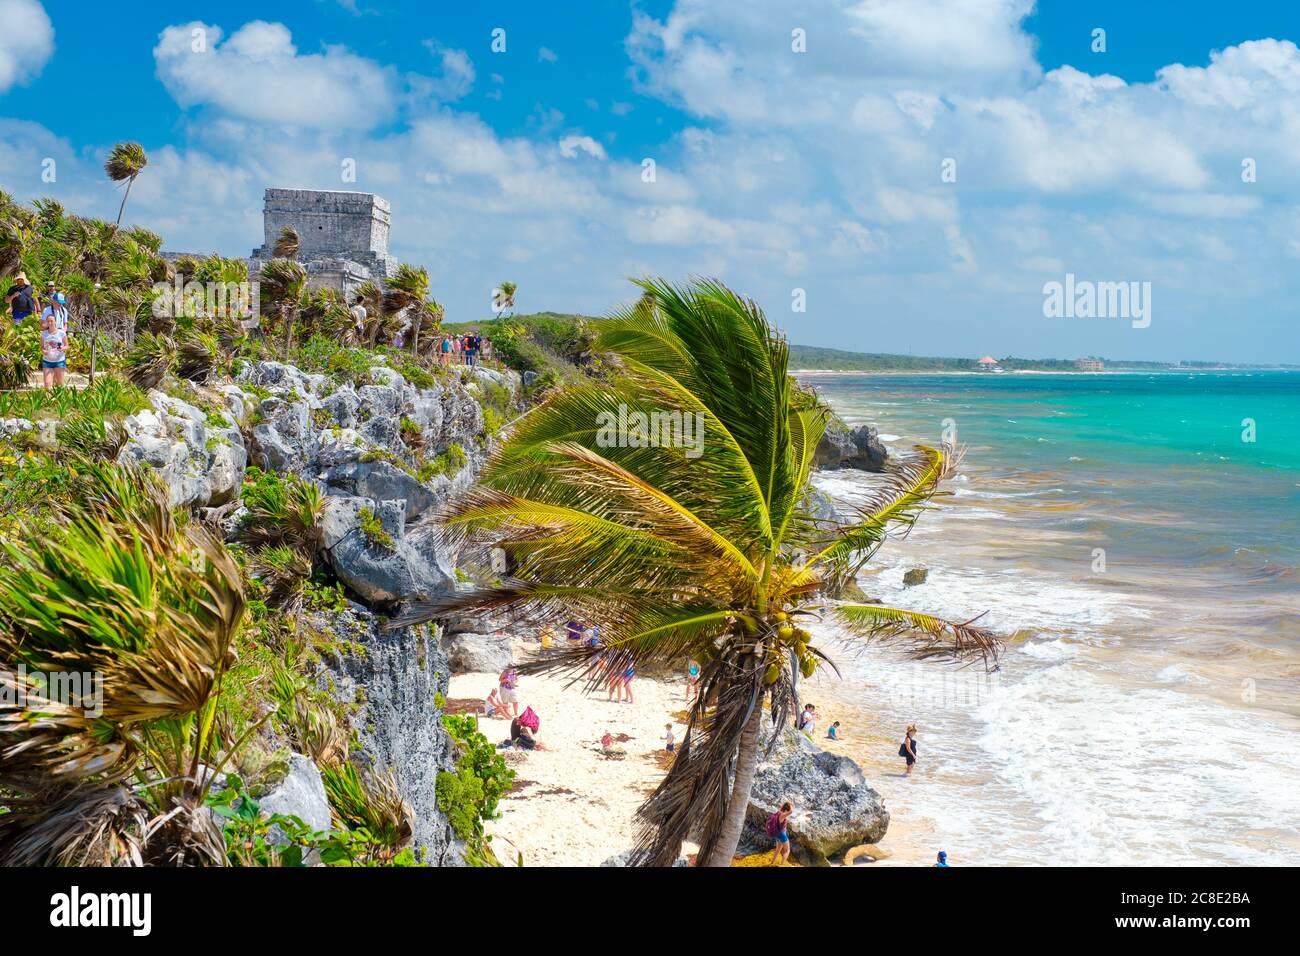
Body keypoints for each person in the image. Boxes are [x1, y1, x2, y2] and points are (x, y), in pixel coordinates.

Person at [40, 312, 69, 389]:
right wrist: (43, 351)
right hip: (47, 361)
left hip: (59, 361)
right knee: (47, 384)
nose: (50, 323)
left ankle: (59, 400)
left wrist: (62, 348)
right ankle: (48, 400)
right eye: (48, 321)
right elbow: (41, 347)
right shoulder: (44, 334)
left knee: (60, 385)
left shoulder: (61, 333)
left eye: (51, 321)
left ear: (55, 321)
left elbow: (67, 346)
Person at [765, 801, 793, 865]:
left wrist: (787, 804)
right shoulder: (782, 815)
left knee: (778, 849)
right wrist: (790, 804)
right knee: (787, 851)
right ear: (787, 809)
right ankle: (781, 865)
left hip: (777, 834)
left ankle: (772, 862)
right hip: (781, 835)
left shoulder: (778, 813)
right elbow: (791, 811)